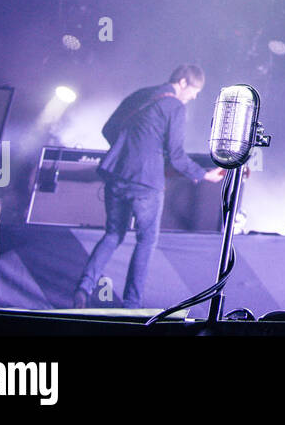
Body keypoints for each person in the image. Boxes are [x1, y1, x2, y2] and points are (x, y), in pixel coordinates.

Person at [72, 65, 224, 308]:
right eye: (195, 90)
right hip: (146, 182)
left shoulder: (141, 94)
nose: (195, 96)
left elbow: (108, 129)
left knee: (113, 234)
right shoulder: (175, 107)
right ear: (183, 82)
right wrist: (204, 175)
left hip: (116, 174)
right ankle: (132, 303)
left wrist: (130, 149)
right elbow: (176, 156)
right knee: (146, 241)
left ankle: (83, 287)